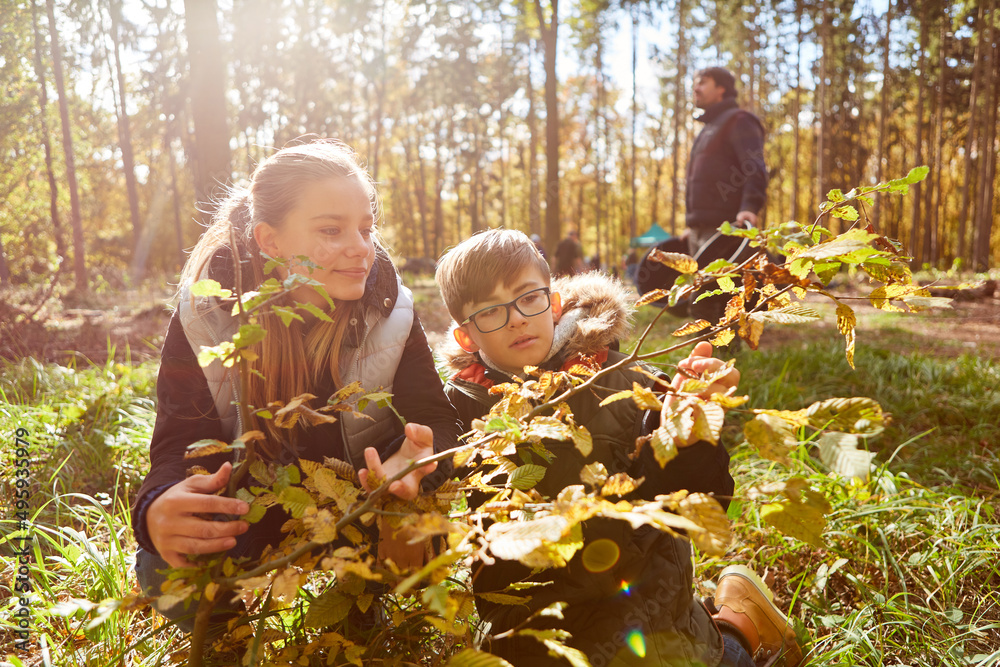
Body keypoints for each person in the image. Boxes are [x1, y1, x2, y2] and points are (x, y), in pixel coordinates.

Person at [132, 138, 462, 630]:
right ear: (271, 241)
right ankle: (223, 643)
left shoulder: (393, 312)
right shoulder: (208, 317)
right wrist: (157, 507)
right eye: (331, 229)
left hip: (361, 509)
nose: (360, 246)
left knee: (419, 532)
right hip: (251, 512)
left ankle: (357, 624)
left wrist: (418, 464)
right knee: (166, 567)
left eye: (366, 228)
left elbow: (434, 418)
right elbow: (179, 442)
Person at [433, 229, 803, 667]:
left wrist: (686, 435)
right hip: (534, 643)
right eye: (491, 311)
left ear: (552, 304)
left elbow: (703, 506)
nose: (515, 318)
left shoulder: (624, 383)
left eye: (527, 298)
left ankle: (739, 625)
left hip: (652, 631)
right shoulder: (454, 416)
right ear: (466, 337)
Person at [684, 67, 768, 324]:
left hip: (726, 228)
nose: (696, 87)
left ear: (722, 88)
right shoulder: (707, 129)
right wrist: (692, 224)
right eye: (696, 82)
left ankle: (729, 357)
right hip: (700, 228)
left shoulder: (739, 120)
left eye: (704, 82)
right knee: (701, 300)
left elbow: (755, 166)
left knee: (723, 296)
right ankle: (704, 358)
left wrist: (750, 207)